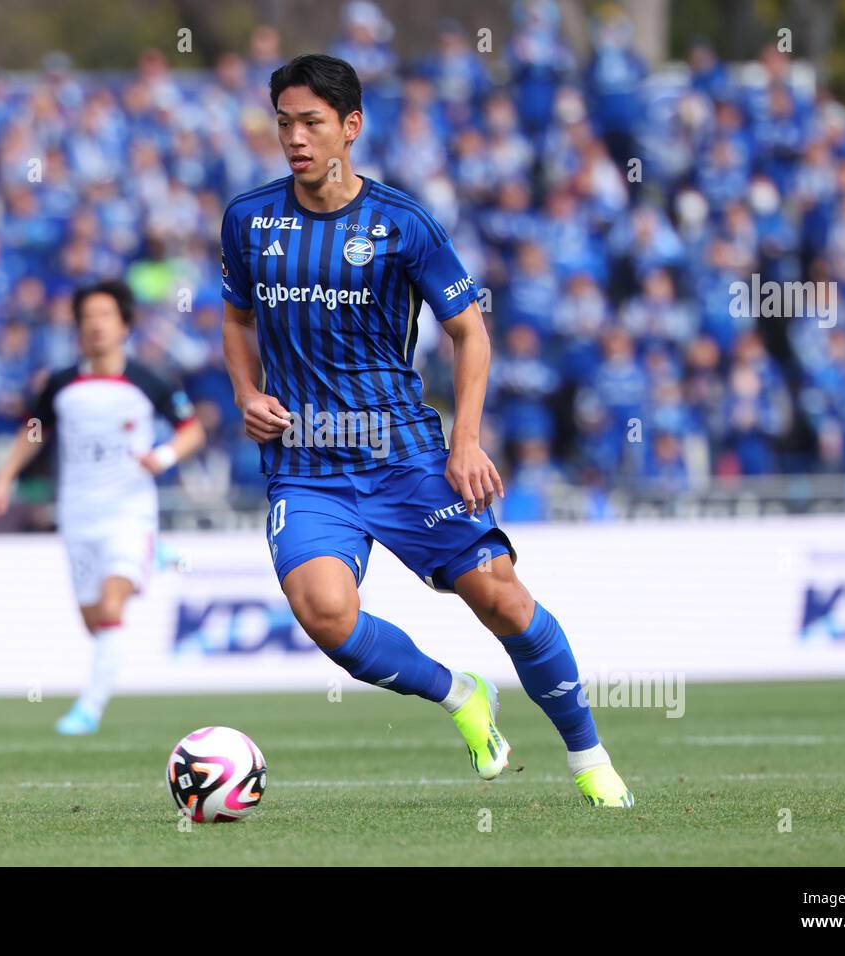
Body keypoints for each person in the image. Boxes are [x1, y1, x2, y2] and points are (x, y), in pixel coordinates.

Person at [220, 55, 633, 806]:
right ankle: (460, 696)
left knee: (502, 599)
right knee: (325, 614)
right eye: (284, 122)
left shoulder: (401, 223)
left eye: (311, 122)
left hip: (404, 455)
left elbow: (470, 334)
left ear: (351, 127)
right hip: (306, 464)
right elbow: (237, 318)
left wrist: (466, 440)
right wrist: (247, 391)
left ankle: (589, 756)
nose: (295, 138)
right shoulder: (249, 220)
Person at [0, 280, 205, 733]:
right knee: (95, 622)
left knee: (110, 608)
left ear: (125, 325)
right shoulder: (60, 384)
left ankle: (89, 708)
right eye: (87, 318)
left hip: (129, 511)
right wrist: (4, 478)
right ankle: (155, 558)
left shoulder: (150, 379)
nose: (96, 326)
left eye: (105, 316)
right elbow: (34, 432)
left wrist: (161, 456)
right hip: (78, 515)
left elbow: (192, 429)